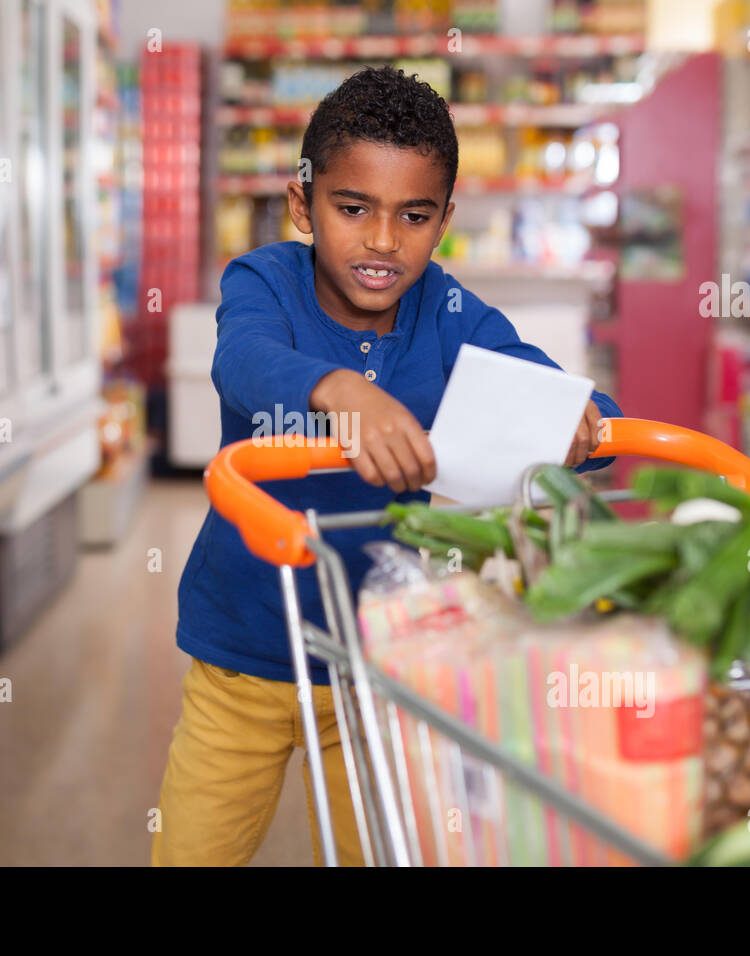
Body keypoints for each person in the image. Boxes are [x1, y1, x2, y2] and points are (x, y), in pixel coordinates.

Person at [152, 65, 622, 866]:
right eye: (352, 208)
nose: (381, 240)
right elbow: (245, 361)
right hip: (243, 656)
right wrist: (339, 391)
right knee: (192, 852)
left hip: (383, 662)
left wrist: (577, 415)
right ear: (304, 205)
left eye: (413, 216)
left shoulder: (448, 312)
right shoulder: (265, 281)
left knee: (379, 850)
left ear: (443, 222)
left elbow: (536, 376)